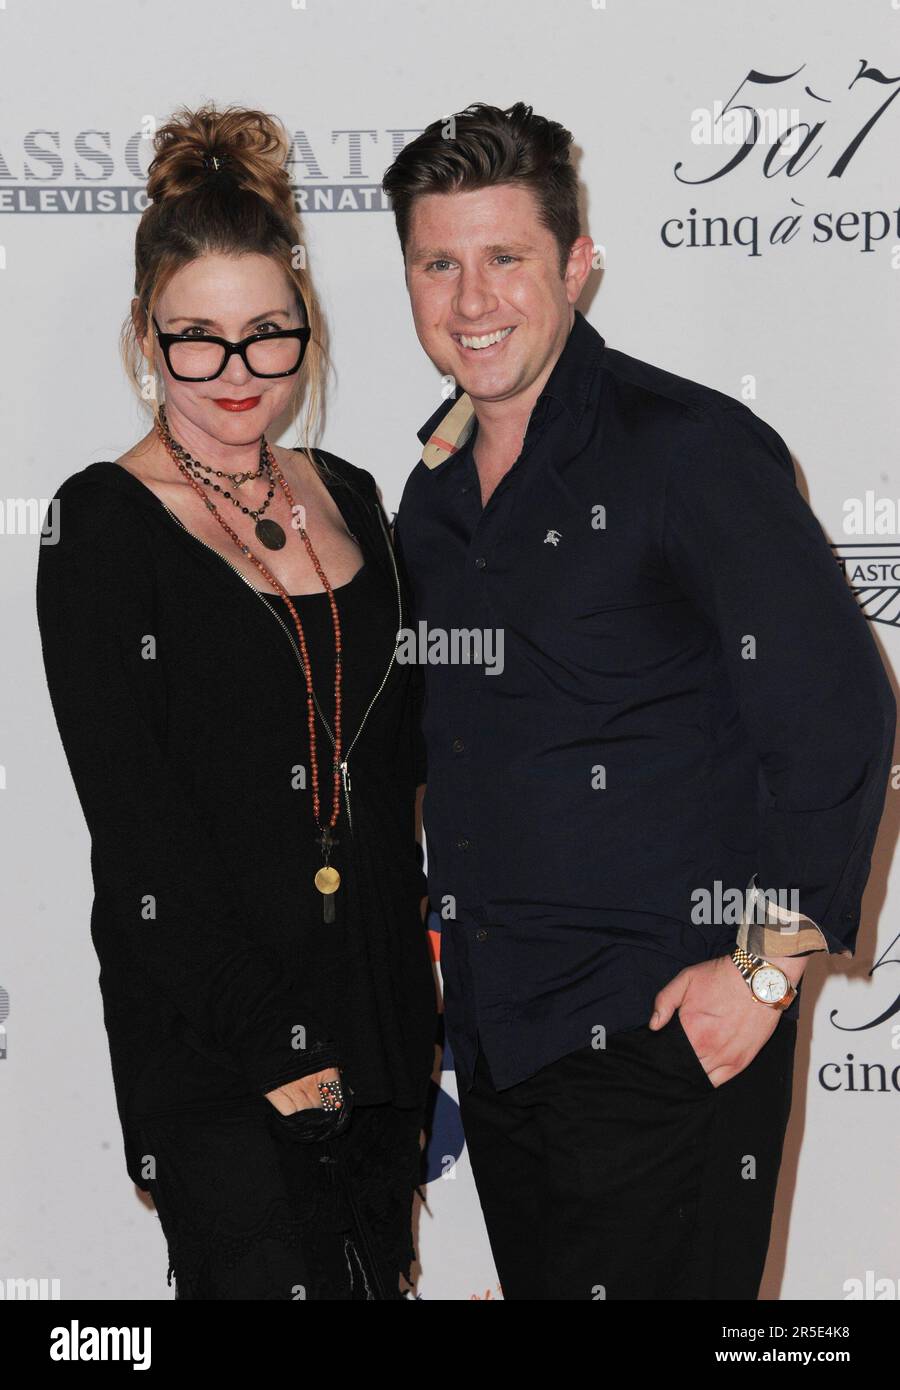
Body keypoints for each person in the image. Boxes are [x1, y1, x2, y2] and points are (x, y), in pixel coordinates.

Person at [382, 101, 896, 1300]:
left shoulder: (690, 449)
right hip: (505, 1044)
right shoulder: (434, 498)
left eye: (506, 258)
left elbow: (841, 720)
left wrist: (763, 977)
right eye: (439, 264)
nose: (472, 301)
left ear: (578, 263)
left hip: (665, 1035)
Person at [36, 102, 437, 1300]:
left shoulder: (357, 495)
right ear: (145, 337)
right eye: (195, 339)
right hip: (218, 1040)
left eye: (268, 334)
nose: (234, 374)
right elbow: (139, 820)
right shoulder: (102, 525)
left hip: (374, 1018)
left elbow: (406, 758)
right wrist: (278, 1051)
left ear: (305, 327)